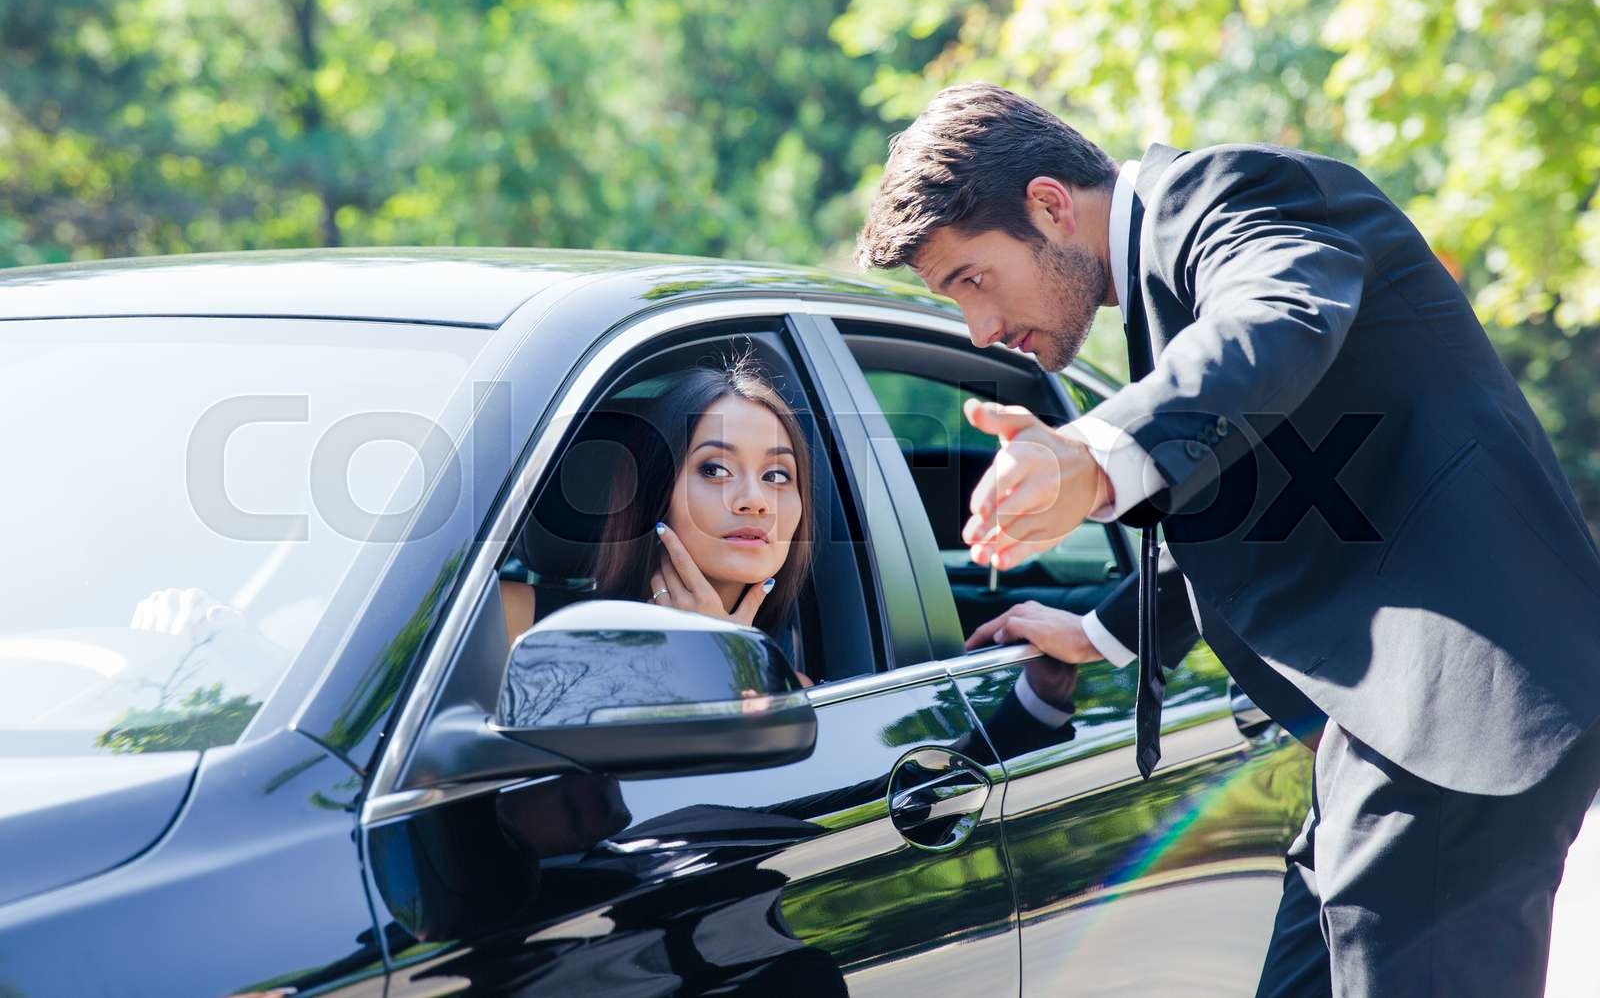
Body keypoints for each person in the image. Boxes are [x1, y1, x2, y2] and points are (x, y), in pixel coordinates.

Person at [853, 81, 1600, 996]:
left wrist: (1094, 455)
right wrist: (1097, 635)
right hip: (1388, 736)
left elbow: (1277, 317)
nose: (983, 329)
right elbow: (1258, 495)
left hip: (1458, 713)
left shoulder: (1230, 198)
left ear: (1049, 206)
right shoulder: (1167, 288)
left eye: (971, 279)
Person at [500, 357, 817, 685]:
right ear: (656, 493)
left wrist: (722, 661)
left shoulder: (788, 690)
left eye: (776, 475)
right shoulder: (510, 623)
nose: (755, 500)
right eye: (715, 470)